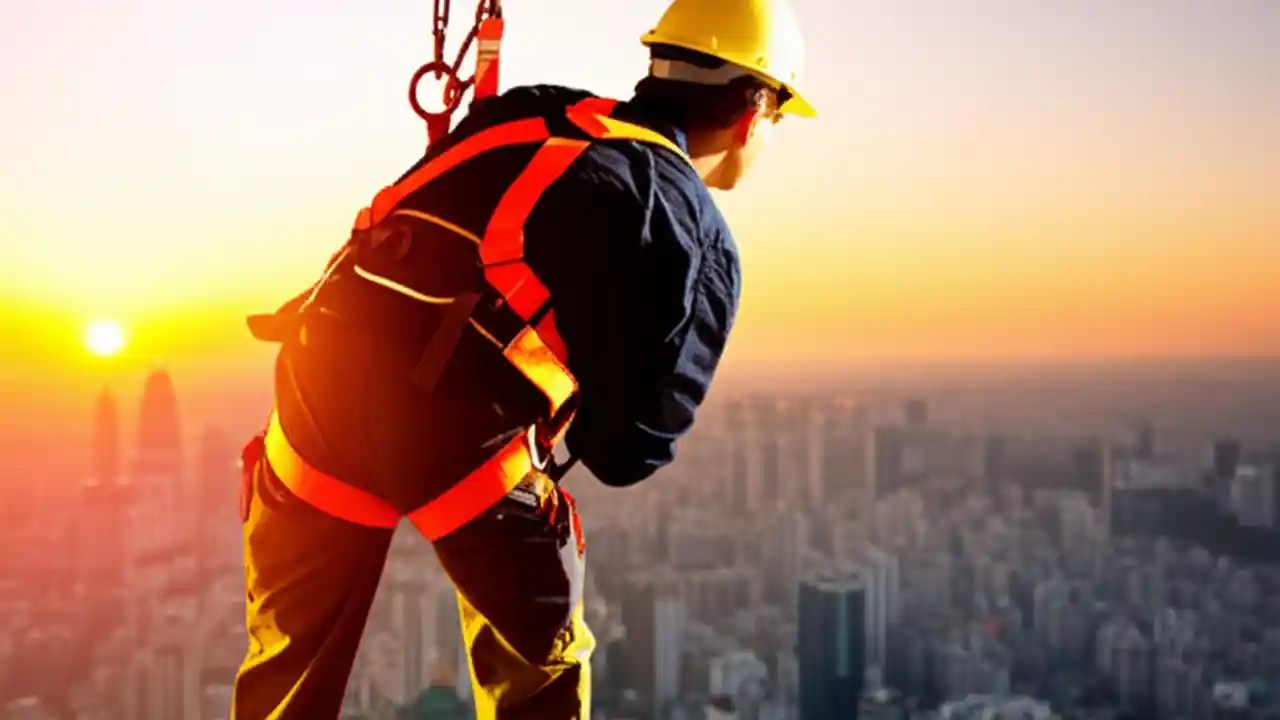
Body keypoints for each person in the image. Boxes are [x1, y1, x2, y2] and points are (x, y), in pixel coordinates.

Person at [231, 0, 815, 717]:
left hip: (316, 380)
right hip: (457, 440)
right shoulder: (693, 230)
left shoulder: (530, 112)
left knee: (287, 670)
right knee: (541, 675)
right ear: (755, 114)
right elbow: (628, 450)